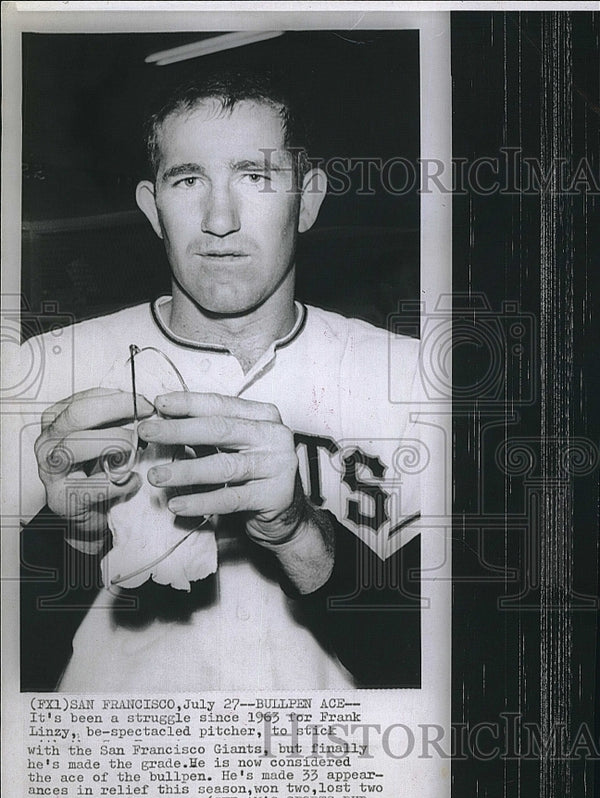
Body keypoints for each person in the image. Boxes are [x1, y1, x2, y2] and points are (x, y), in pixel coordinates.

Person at [19, 70, 423, 692]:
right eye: (188, 180)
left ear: (308, 199)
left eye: (256, 177)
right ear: (153, 209)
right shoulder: (39, 372)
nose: (220, 219)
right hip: (108, 773)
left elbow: (436, 667)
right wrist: (70, 538)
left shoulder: (411, 381)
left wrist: (296, 529)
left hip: (333, 773)